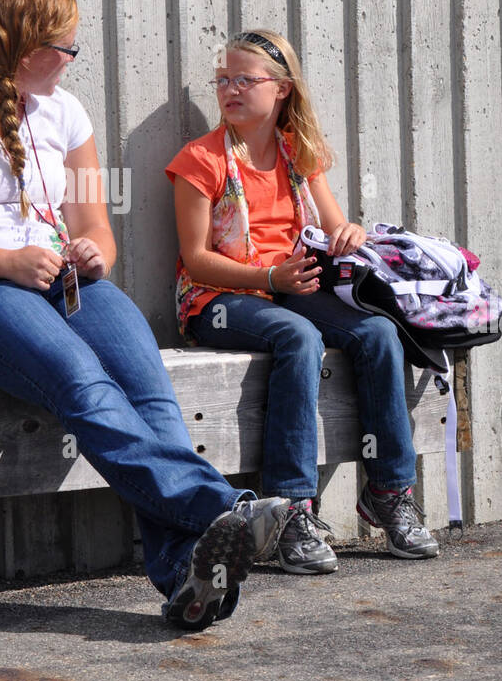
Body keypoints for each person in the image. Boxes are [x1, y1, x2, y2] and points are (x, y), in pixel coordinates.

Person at [0, 0, 296, 631]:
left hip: (61, 282)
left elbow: (95, 223)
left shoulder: (64, 111)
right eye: (65, 46)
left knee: (149, 385)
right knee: (80, 379)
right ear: (25, 48)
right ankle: (221, 506)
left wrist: (96, 248)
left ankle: (189, 570)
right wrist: (6, 261)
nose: (73, 58)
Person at [166, 29, 439, 572]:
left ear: (282, 89)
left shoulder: (296, 153)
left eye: (245, 79)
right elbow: (195, 259)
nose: (230, 88)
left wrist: (350, 235)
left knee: (379, 333)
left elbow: (338, 227)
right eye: (223, 79)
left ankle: (389, 493)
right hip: (218, 299)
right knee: (298, 336)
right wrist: (271, 277)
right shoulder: (200, 159)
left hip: (291, 286)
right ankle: (290, 507)